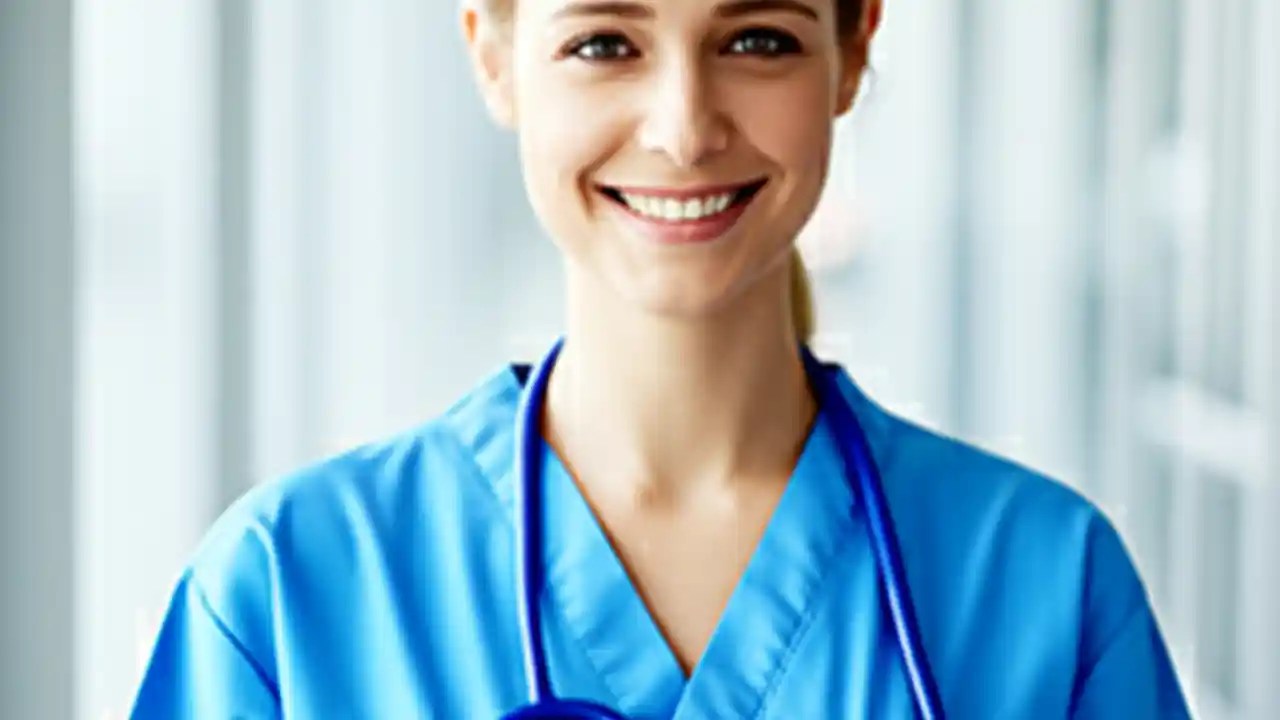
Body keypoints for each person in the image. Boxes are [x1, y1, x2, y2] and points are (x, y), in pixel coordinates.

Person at [130, 0, 1192, 717]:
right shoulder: (290, 593)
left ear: (853, 48)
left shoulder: (1046, 588)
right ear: (493, 55)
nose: (683, 129)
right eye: (605, 42)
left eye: (757, 39)